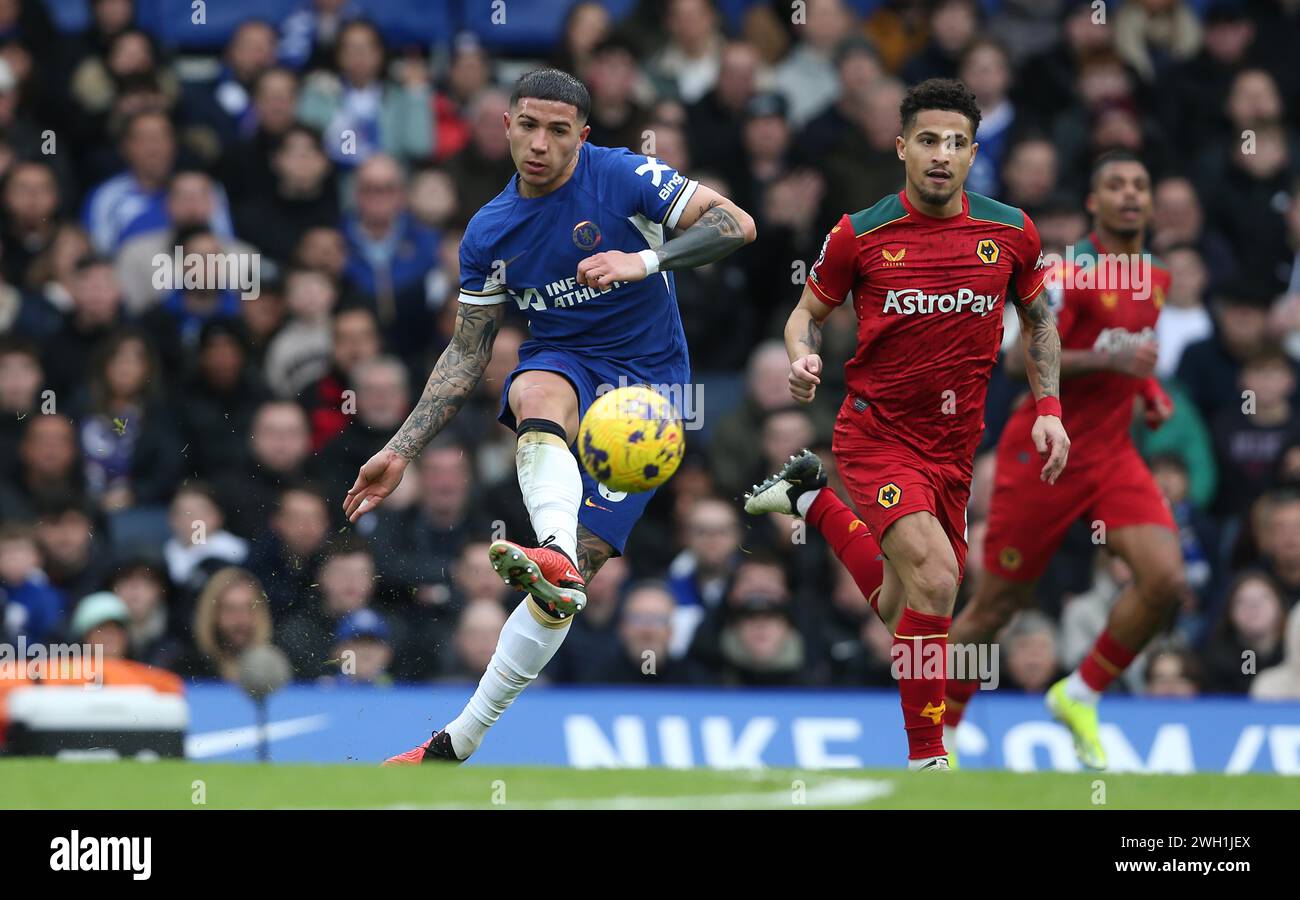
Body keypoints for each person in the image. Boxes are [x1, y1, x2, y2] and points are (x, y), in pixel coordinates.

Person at [344, 68, 756, 764]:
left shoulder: (622, 176)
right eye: (528, 125)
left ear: (582, 136)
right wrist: (402, 448)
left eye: (558, 130)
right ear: (506, 125)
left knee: (566, 596)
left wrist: (645, 260)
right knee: (531, 391)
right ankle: (556, 554)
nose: (540, 143)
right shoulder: (490, 232)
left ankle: (460, 739)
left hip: (648, 393)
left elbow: (735, 224)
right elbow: (468, 354)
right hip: (564, 361)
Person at [743, 78, 1066, 770]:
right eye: (927, 141)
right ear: (902, 148)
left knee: (906, 609)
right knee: (939, 580)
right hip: (876, 434)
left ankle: (811, 499)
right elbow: (805, 316)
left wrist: (1049, 410)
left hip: (954, 449)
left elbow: (1039, 321)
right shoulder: (859, 234)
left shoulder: (1011, 232)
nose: (941, 155)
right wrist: (801, 359)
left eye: (955, 142)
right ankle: (927, 759)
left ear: (974, 153)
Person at [932, 152, 1185, 770]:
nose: (1130, 195)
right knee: (996, 607)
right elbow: (1020, 360)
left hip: (1112, 455)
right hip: (1044, 451)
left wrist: (1148, 393)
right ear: (1094, 203)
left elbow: (1126, 350)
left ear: (1151, 204)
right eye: (1115, 185)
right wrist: (1112, 365)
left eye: (1140, 185)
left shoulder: (1153, 278)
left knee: (1167, 580)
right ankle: (942, 730)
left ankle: (1079, 692)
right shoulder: (1068, 272)